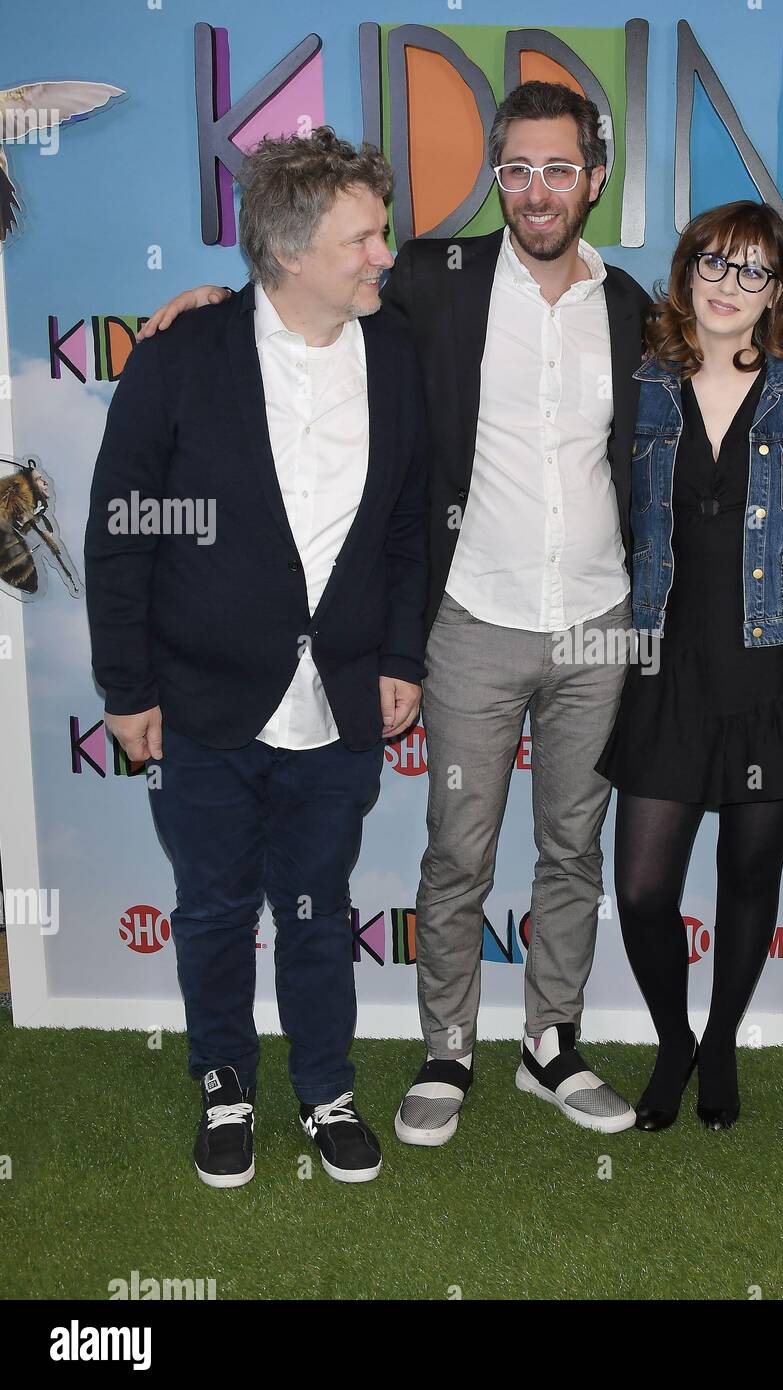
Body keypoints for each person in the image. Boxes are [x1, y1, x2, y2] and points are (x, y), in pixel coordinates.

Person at [141, 82, 652, 1142]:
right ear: (496, 179)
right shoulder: (433, 277)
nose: (538, 190)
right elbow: (297, 295)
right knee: (456, 849)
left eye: (560, 168)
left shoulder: (631, 306)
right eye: (517, 169)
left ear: (594, 181)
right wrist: (200, 305)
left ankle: (549, 1041)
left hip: (599, 621)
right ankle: (447, 1050)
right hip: (467, 619)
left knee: (573, 846)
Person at [84, 128, 429, 1186]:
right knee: (216, 910)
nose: (386, 253)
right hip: (200, 703)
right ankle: (223, 1082)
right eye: (365, 237)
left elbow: (414, 523)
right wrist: (127, 689)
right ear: (289, 252)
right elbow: (121, 525)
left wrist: (403, 654)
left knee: (321, 910)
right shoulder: (186, 355)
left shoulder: (401, 349)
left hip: (339, 699)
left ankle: (326, 1090)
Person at [596, 200, 783, 1131]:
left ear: (778, 291)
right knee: (645, 889)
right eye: (715, 265)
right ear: (686, 270)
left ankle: (723, 1038)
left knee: (748, 874)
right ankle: (673, 1040)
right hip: (664, 665)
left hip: (772, 666)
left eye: (755, 271)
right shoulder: (643, 378)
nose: (731, 287)